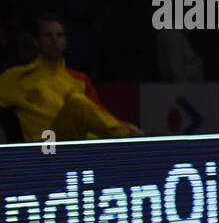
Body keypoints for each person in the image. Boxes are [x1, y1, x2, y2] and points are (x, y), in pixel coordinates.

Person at [0, 15, 143, 141]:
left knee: (79, 105)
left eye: (59, 35)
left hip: (79, 144)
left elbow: (100, 116)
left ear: (65, 42)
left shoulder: (79, 79)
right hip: (44, 148)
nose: (54, 40)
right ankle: (130, 136)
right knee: (77, 102)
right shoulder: (17, 77)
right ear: (37, 41)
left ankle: (129, 138)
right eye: (48, 35)